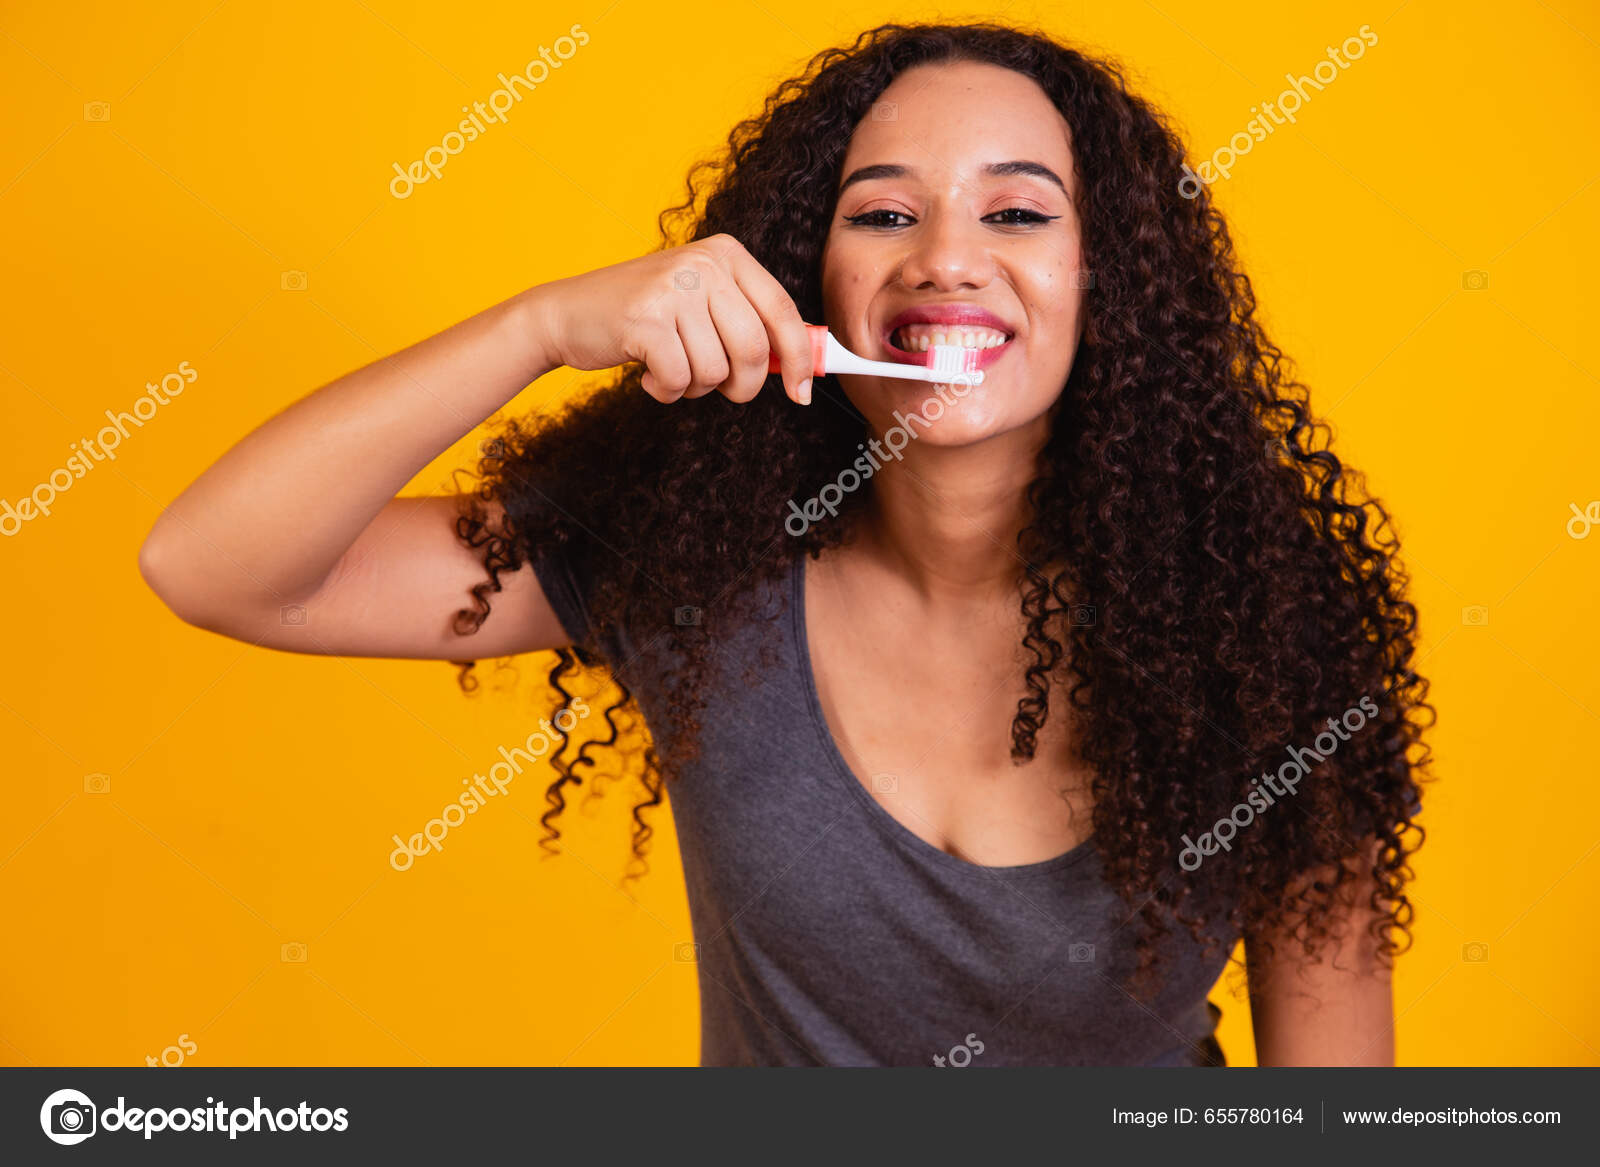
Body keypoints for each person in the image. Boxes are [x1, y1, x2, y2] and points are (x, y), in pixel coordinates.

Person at [138, 22, 1430, 1066]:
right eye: (882, 215)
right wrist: (534, 327)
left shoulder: (1273, 631)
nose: (945, 260)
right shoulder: (693, 560)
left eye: (1019, 216)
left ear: (1115, 283)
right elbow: (210, 566)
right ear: (803, 277)